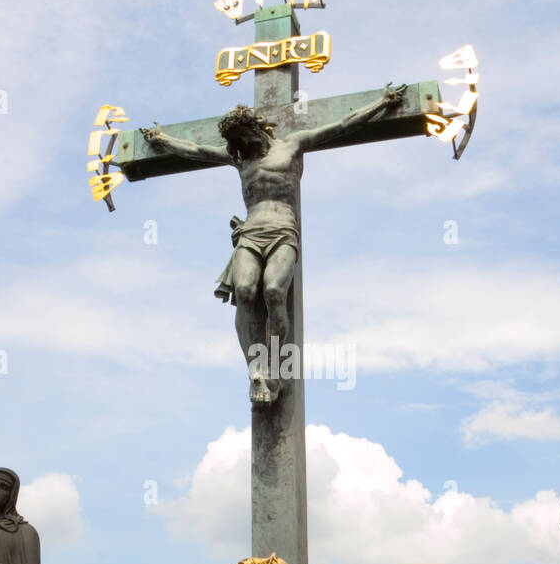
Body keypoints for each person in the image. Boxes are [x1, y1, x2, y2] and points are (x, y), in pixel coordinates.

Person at [143, 85, 406, 404]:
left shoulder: (293, 145)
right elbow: (195, 149)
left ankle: (276, 370)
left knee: (273, 291)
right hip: (251, 233)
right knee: (244, 292)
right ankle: (256, 371)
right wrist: (162, 140)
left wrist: (379, 104)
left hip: (283, 230)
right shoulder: (240, 160)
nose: (242, 144)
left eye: (244, 135)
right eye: (237, 140)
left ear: (256, 127)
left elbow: (341, 126)